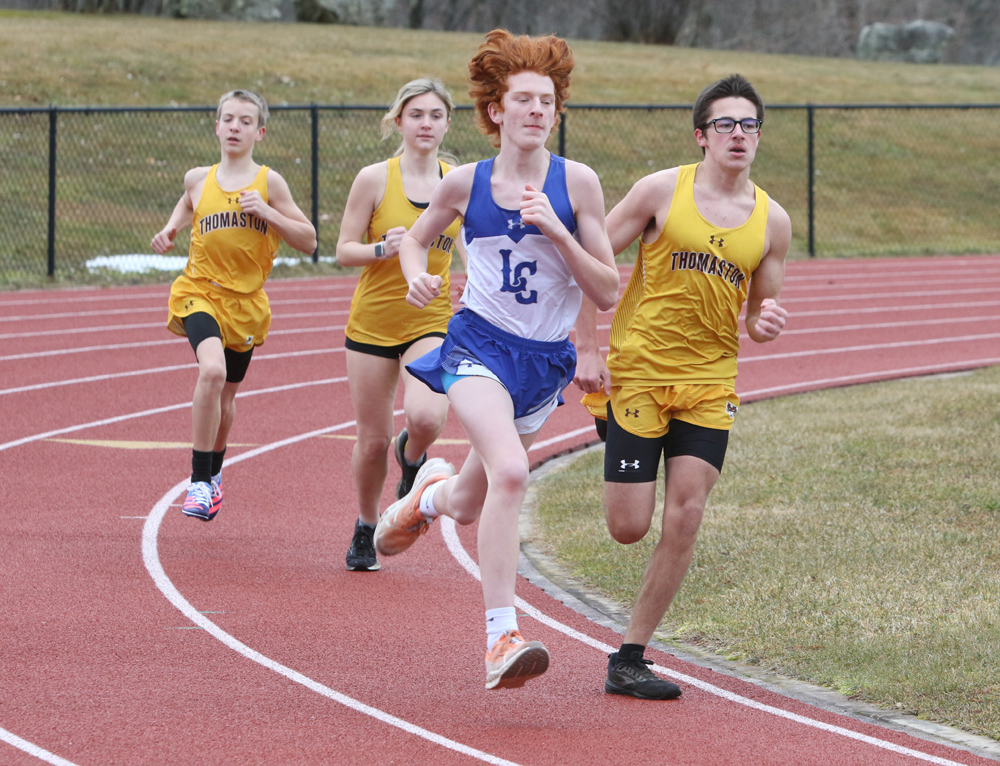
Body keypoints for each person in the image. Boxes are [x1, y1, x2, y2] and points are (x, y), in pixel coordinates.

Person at [373, 29, 620, 690]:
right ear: (496, 112)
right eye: (525, 100)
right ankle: (500, 636)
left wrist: (559, 230)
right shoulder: (465, 182)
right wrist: (416, 276)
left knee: (468, 501)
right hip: (478, 344)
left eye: (548, 101)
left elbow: (607, 288)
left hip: (542, 365)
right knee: (512, 472)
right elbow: (415, 241)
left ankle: (427, 496)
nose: (539, 110)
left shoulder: (579, 184)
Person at [574, 73, 791, 699]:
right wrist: (587, 347)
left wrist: (766, 323)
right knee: (627, 526)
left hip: (708, 383)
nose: (739, 135)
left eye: (750, 125)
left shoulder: (772, 220)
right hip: (638, 373)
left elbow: (759, 316)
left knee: (687, 514)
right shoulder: (660, 191)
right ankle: (610, 427)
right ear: (701, 135)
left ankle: (630, 657)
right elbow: (590, 265)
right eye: (725, 124)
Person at [152, 89, 317, 522]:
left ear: (259, 132)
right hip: (198, 291)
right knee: (212, 371)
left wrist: (268, 212)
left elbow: (310, 239)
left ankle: (215, 472)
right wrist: (171, 229)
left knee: (226, 398)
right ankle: (199, 480)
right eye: (228, 119)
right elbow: (189, 202)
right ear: (216, 125)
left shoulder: (269, 183)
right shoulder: (198, 178)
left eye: (245, 121)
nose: (234, 127)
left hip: (245, 305)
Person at [336, 79, 465, 573]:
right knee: (370, 441)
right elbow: (344, 249)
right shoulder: (374, 179)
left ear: (447, 123)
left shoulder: (459, 180)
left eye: (436, 115)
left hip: (430, 321)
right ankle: (367, 525)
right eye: (416, 115)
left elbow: (473, 247)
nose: (426, 123)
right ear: (398, 121)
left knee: (428, 418)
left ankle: (410, 457)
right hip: (371, 325)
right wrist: (380, 249)